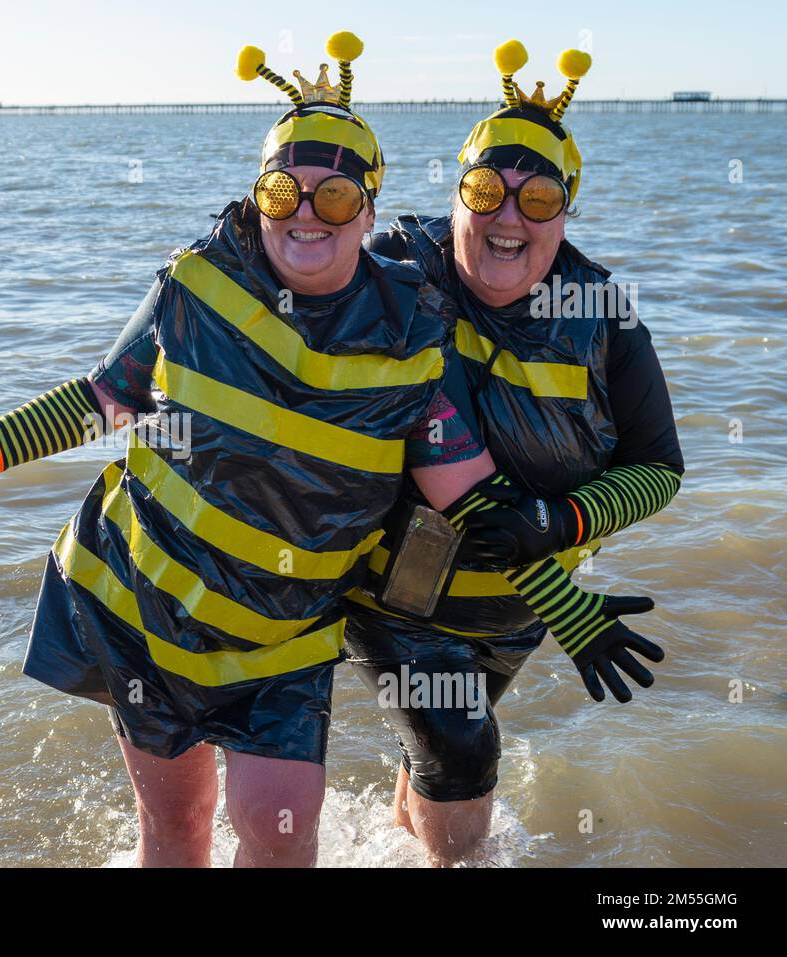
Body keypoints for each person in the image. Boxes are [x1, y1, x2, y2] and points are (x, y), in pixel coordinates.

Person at [0, 32, 624, 867]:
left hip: (284, 641)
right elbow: (100, 400)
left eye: (335, 199)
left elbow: (475, 505)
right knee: (178, 827)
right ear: (258, 194)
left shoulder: (411, 343)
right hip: (153, 604)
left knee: (280, 828)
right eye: (283, 188)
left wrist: (574, 614)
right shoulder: (197, 289)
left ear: (370, 213)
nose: (305, 212)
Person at [343, 40, 684, 864]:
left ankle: (393, 852)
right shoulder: (396, 273)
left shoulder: (604, 312)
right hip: (392, 591)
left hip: (514, 608)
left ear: (568, 211)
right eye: (486, 189)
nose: (508, 218)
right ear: (455, 192)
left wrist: (560, 519)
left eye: (538, 199)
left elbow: (659, 468)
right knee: (462, 747)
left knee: (434, 753)